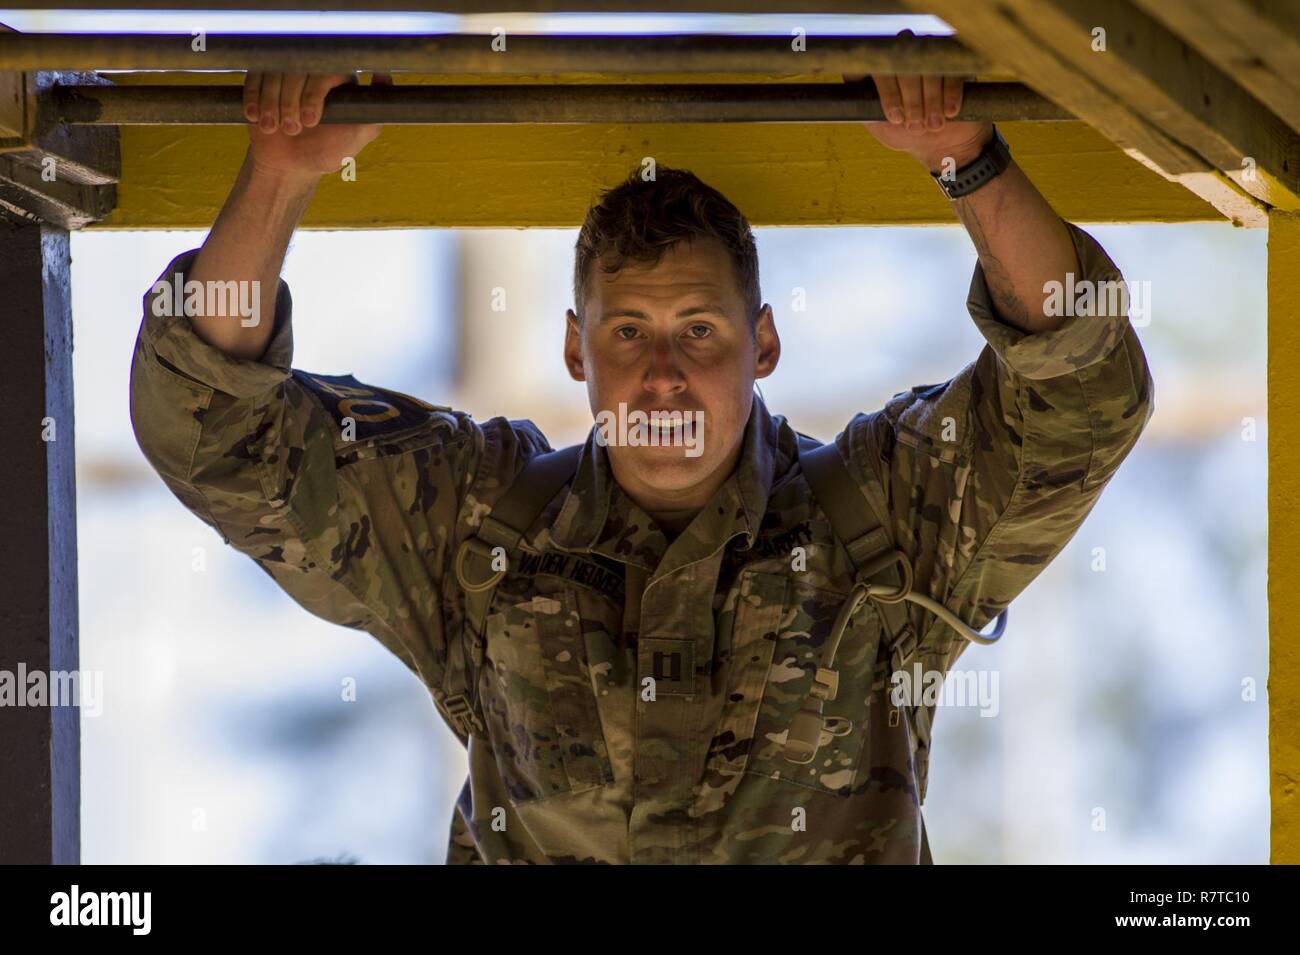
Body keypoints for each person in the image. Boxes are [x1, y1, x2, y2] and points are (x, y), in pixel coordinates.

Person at [129, 68, 1154, 864]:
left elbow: (1084, 393)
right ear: (578, 352)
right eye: (629, 334)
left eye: (698, 331)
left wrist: (967, 161)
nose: (663, 378)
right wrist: (280, 173)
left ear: (762, 346)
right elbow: (212, 428)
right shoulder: (480, 526)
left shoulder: (878, 520)